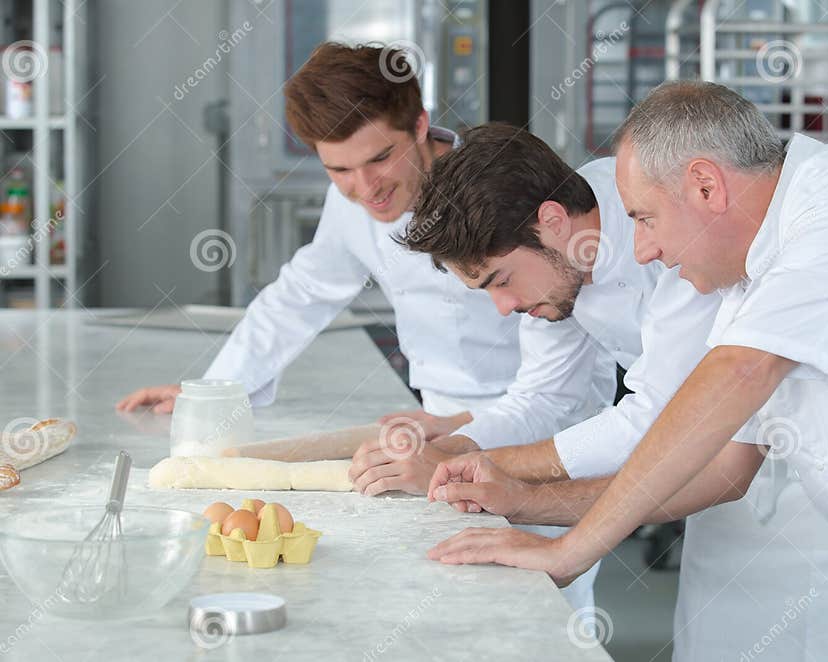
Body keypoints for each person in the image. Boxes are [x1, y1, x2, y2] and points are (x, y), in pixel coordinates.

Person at [425, 81, 828, 662]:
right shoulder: (747, 282)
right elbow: (722, 470)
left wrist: (570, 551)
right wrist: (522, 501)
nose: (643, 250)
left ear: (705, 185)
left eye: (645, 218)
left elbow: (737, 373)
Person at [115, 41, 616, 613]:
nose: (365, 187)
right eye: (339, 170)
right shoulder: (353, 201)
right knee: (451, 598)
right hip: (437, 424)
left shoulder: (500, 193)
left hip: (552, 427)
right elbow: (302, 292)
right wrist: (217, 388)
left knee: (538, 612)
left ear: (421, 125)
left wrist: (453, 435)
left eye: (380, 159)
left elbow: (551, 392)